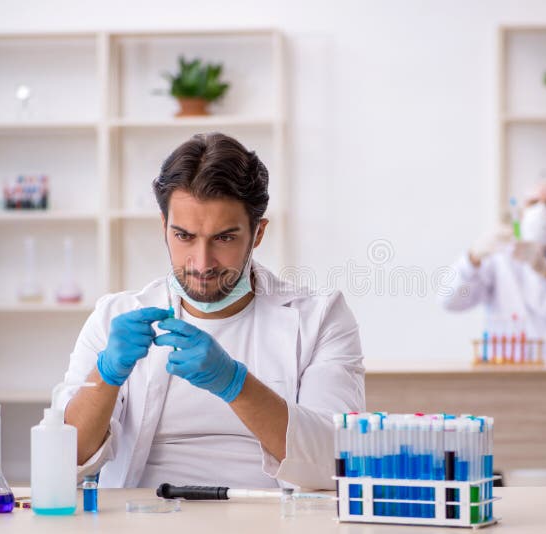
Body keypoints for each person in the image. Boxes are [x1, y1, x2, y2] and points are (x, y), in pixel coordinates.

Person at [60, 132, 365, 490]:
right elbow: (64, 461)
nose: (202, 263)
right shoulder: (114, 317)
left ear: (258, 233)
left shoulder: (321, 319)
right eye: (184, 236)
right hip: (146, 513)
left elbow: (335, 461)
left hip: (269, 516)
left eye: (224, 238)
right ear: (164, 227)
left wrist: (236, 384)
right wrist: (106, 375)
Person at [437, 181, 546, 359]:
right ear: (521, 214)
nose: (541, 211)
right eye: (533, 203)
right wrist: (472, 259)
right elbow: (450, 301)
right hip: (509, 364)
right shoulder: (499, 257)